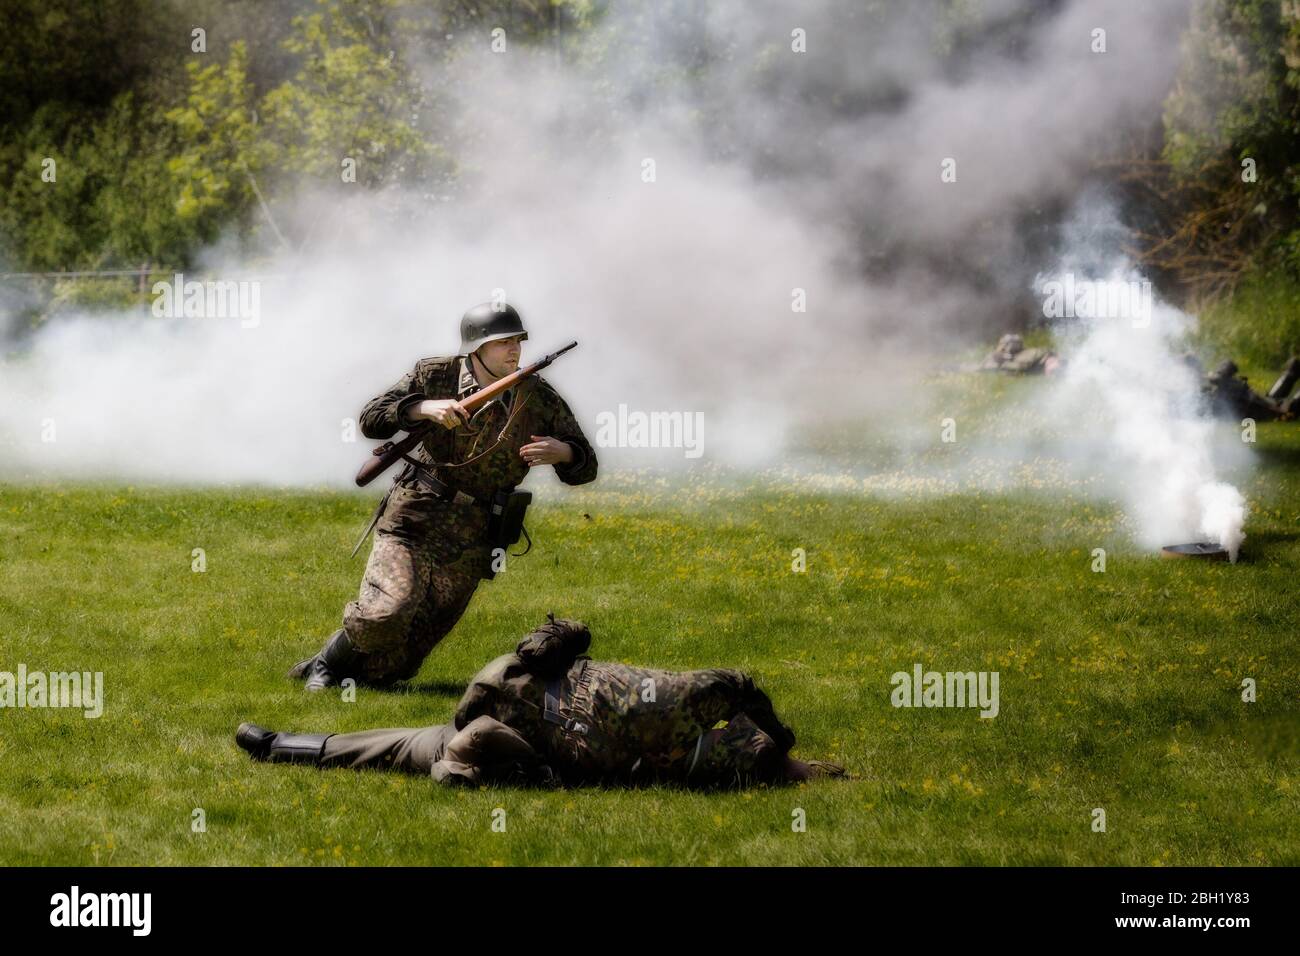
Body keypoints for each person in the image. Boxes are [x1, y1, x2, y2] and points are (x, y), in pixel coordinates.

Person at [290, 303, 599, 692]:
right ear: (476, 348)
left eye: (517, 341)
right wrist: (422, 408)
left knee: (396, 666)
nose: (513, 350)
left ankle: (350, 669)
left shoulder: (537, 397)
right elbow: (371, 418)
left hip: (473, 536)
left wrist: (564, 453)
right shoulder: (435, 375)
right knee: (388, 612)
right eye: (502, 342)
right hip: (415, 517)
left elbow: (586, 466)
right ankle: (327, 664)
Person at [244, 617, 847, 789]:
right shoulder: (513, 689)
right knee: (395, 745)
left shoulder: (686, 713)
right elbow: (740, 685)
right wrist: (562, 636)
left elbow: (741, 690)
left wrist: (787, 751)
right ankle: (281, 747)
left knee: (422, 747)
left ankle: (282, 749)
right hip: (518, 737)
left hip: (533, 749)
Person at [979, 333, 1061, 375]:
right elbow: (1020, 366)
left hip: (1045, 359)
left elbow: (1020, 366)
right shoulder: (1030, 353)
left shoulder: (1031, 354)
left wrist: (1004, 363)